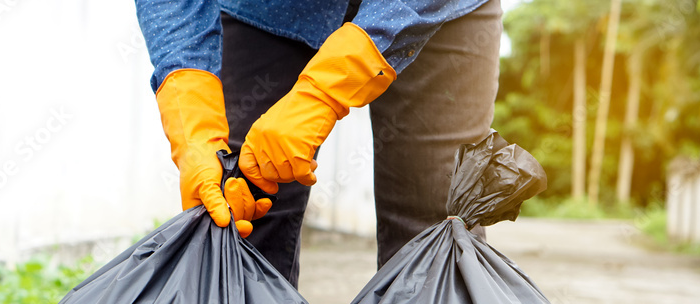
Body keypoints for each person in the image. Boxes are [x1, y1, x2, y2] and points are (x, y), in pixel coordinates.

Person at [136, 0, 502, 287]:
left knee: (436, 225)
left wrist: (322, 93)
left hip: (438, 11)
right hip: (268, 11)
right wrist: (192, 122)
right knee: (239, 207)